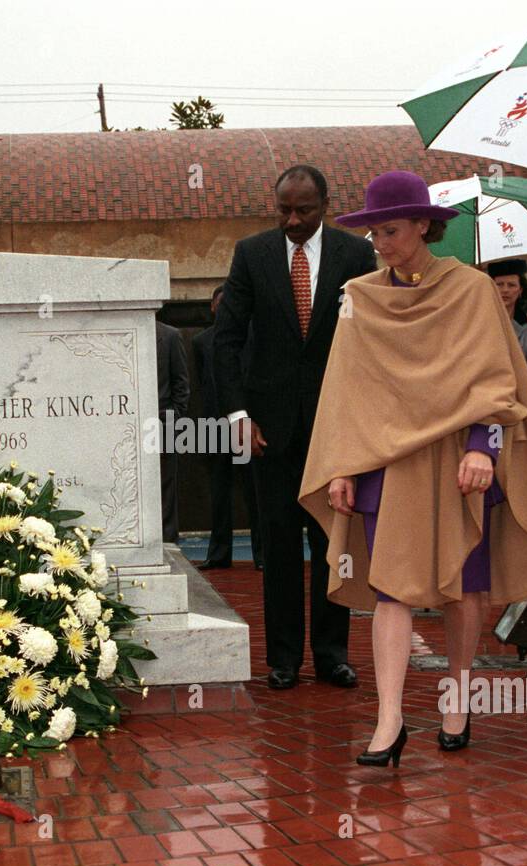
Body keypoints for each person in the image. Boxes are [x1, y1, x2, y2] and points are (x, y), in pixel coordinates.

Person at [298, 171, 527, 763]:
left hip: (455, 459)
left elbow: (498, 382)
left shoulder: (472, 290)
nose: (381, 243)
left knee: (462, 586)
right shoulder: (360, 296)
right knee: (390, 587)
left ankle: (459, 693)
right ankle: (389, 719)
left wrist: (483, 447)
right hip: (383, 462)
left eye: (391, 230)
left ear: (424, 224)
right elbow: (347, 391)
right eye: (374, 233)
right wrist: (342, 464)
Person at [213, 164, 376, 690]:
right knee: (279, 546)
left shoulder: (356, 255)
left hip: (337, 430)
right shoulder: (252, 254)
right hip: (270, 434)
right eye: (283, 209)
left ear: (325, 204)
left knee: (335, 545)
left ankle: (332, 655)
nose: (292, 220)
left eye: (303, 209)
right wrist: (239, 415)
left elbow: (372, 339)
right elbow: (226, 339)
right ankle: (283, 660)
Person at [192, 285, 262, 570]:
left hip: (245, 426)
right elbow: (203, 383)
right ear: (211, 307)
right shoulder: (200, 341)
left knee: (254, 493)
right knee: (219, 494)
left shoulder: (251, 338)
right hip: (215, 427)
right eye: (218, 305)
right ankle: (219, 554)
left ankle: (263, 555)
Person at [487, 258, 527, 398]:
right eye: (499, 285)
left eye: (511, 285)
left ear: (520, 290)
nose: (505, 290)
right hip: (486, 401)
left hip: (519, 399)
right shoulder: (480, 323)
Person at [155, 320, 189, 543]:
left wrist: (174, 417)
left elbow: (181, 383)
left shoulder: (170, 335)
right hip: (127, 422)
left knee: (166, 484)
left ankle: (168, 540)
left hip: (162, 419)